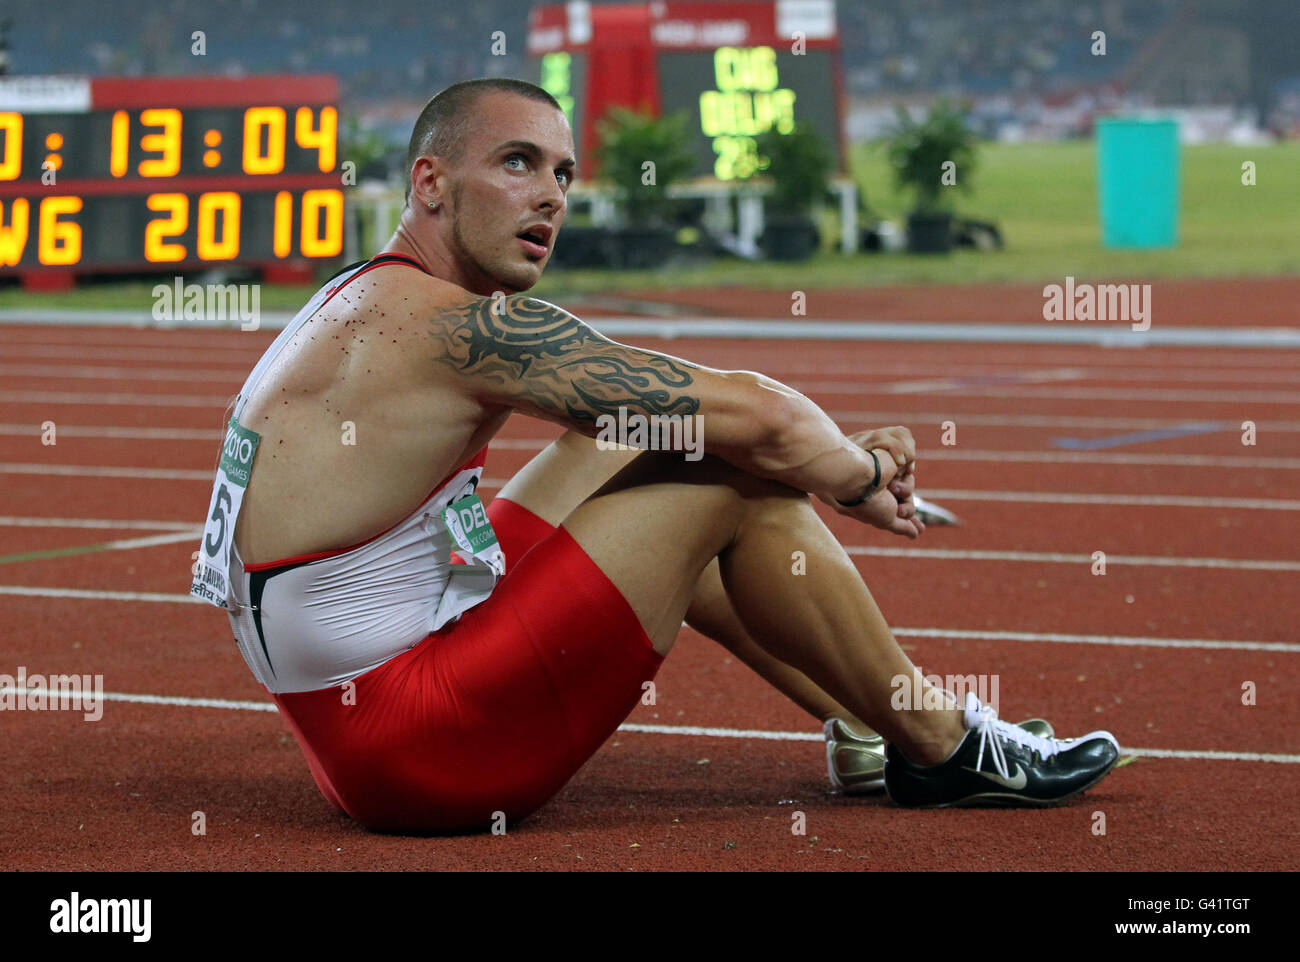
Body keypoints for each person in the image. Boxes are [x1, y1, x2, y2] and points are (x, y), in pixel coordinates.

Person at [192, 79, 1118, 834]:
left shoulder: (365, 295)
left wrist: (810, 455)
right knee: (726, 474)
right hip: (421, 750)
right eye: (517, 164)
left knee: (641, 439)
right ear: (430, 183)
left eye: (562, 171)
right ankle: (942, 743)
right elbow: (763, 417)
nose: (551, 195)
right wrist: (859, 478)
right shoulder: (456, 328)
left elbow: (697, 417)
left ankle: (868, 725)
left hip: (354, 715)